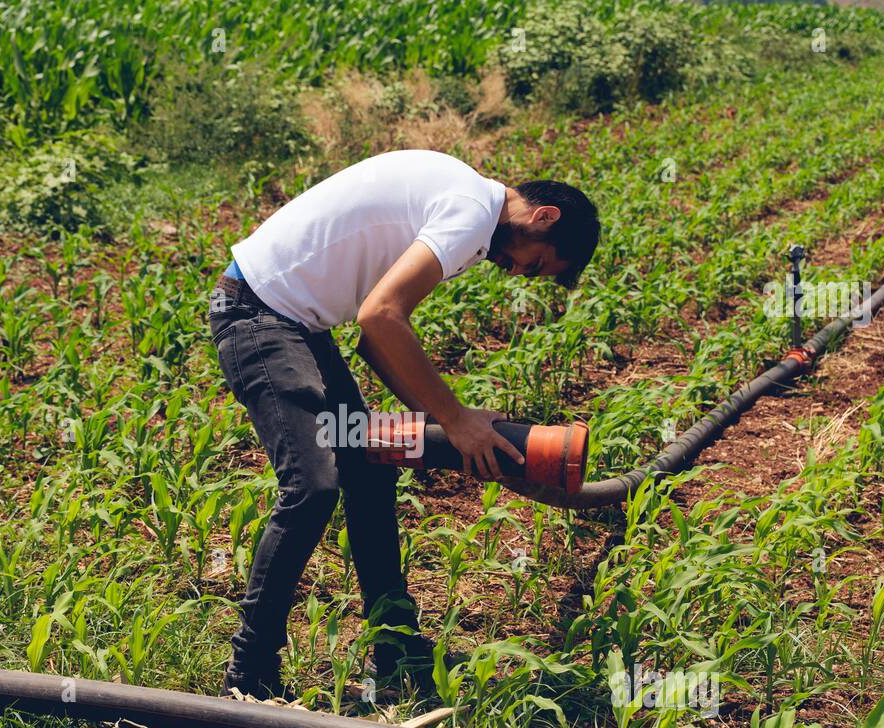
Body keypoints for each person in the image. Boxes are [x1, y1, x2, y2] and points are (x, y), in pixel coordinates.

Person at [208, 149, 600, 698]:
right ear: (544, 217)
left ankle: (394, 649)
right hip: (257, 316)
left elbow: (375, 343)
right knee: (313, 485)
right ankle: (248, 674)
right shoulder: (470, 210)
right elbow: (380, 315)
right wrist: (456, 421)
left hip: (297, 324)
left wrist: (451, 420)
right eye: (532, 264)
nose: (516, 274)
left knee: (367, 472)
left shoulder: (468, 207)